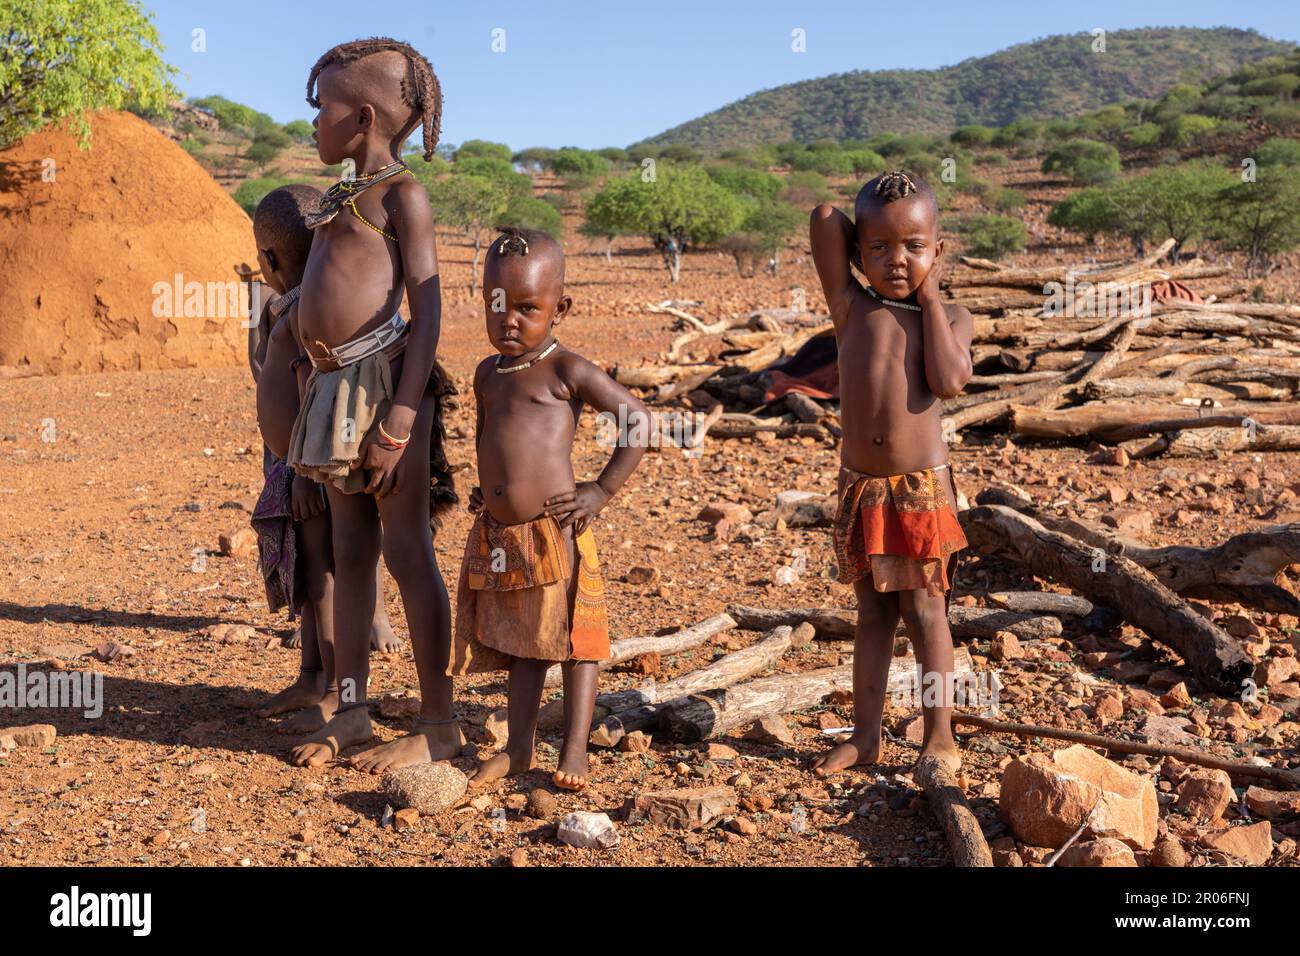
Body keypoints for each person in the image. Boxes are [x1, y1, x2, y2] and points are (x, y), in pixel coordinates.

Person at [284, 38, 457, 771]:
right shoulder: (341, 195)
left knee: (408, 550)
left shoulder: (401, 195)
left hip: (384, 388)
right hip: (331, 391)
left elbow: (429, 309)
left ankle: (440, 722)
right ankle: (351, 709)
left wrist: (401, 417)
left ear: (360, 117)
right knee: (350, 550)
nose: (311, 123)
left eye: (318, 107)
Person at [451, 227, 649, 791]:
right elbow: (489, 438)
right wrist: (484, 490)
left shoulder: (567, 369)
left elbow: (637, 421)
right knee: (524, 646)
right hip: (505, 536)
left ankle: (575, 749)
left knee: (573, 644)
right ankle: (517, 751)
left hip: (556, 533)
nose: (509, 319)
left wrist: (602, 491)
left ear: (559, 308)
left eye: (528, 308)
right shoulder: (488, 373)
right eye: (498, 304)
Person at [807, 170, 973, 776]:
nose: (896, 260)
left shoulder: (951, 316)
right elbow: (825, 216)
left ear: (938, 249)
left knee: (928, 613)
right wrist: (873, 222)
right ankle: (866, 736)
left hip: (920, 490)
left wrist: (928, 296)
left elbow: (951, 380)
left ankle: (939, 735)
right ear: (857, 254)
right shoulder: (851, 306)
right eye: (878, 247)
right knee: (872, 616)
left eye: (913, 246)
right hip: (862, 489)